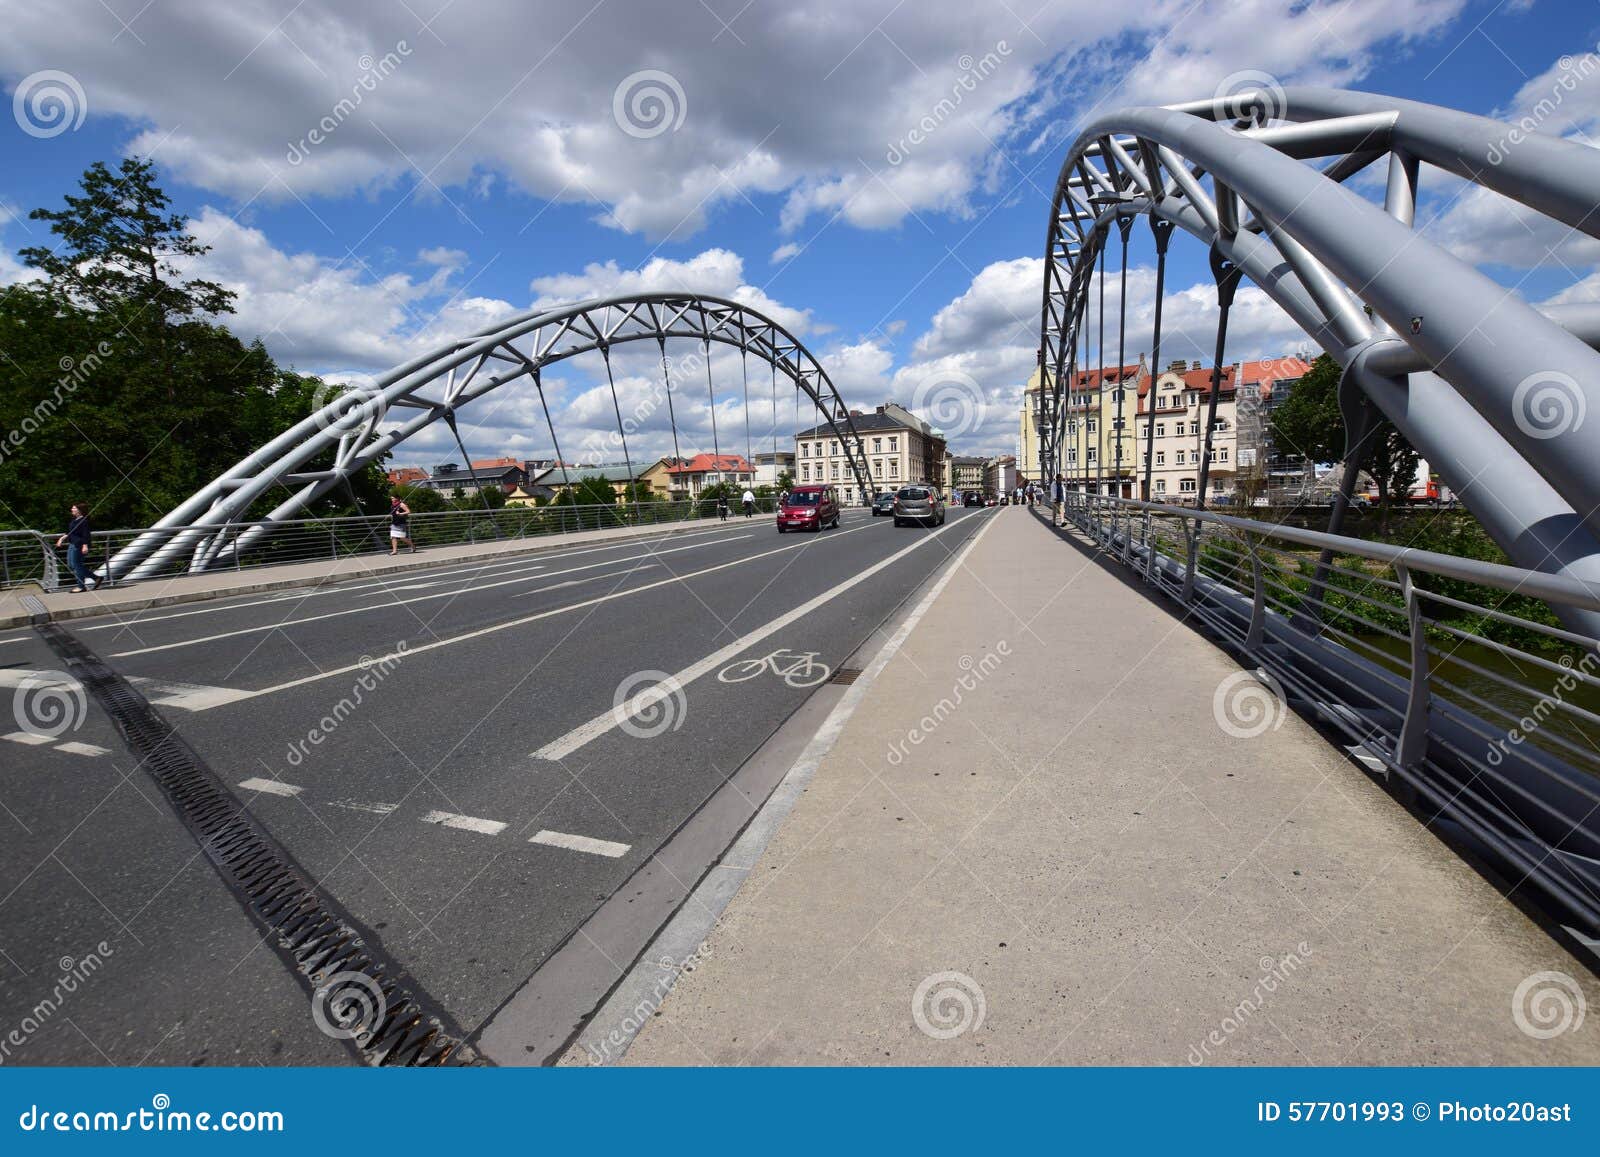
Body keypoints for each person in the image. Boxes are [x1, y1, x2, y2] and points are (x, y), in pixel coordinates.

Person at [56, 503, 94, 592]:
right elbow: (69, 532)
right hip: (72, 544)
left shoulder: (84, 521)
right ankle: (95, 578)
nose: (71, 509)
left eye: (74, 508)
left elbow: (86, 535)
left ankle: (81, 586)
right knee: (71, 565)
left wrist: (85, 546)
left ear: (79, 510)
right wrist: (61, 539)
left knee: (77, 565)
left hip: (79, 545)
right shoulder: (74, 520)